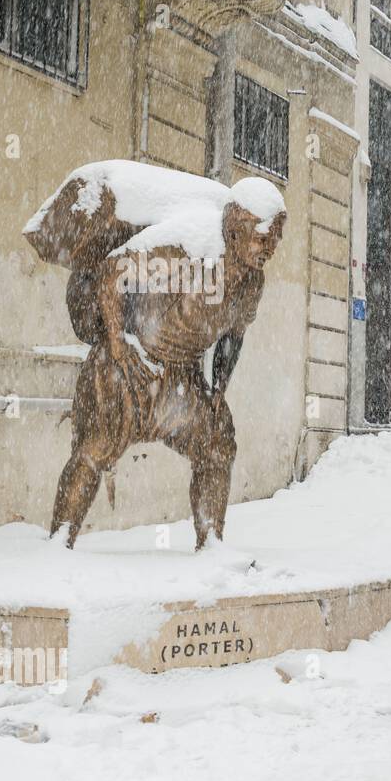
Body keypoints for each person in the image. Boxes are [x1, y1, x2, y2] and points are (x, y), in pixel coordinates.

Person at [49, 180, 287, 550]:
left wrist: (216, 389)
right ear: (234, 233)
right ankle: (60, 539)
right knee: (98, 446)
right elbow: (113, 273)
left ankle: (211, 546)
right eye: (261, 238)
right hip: (131, 363)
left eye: (274, 240)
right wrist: (116, 341)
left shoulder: (252, 282)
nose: (269, 249)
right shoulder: (185, 250)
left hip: (182, 377)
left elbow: (233, 337)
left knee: (217, 442)